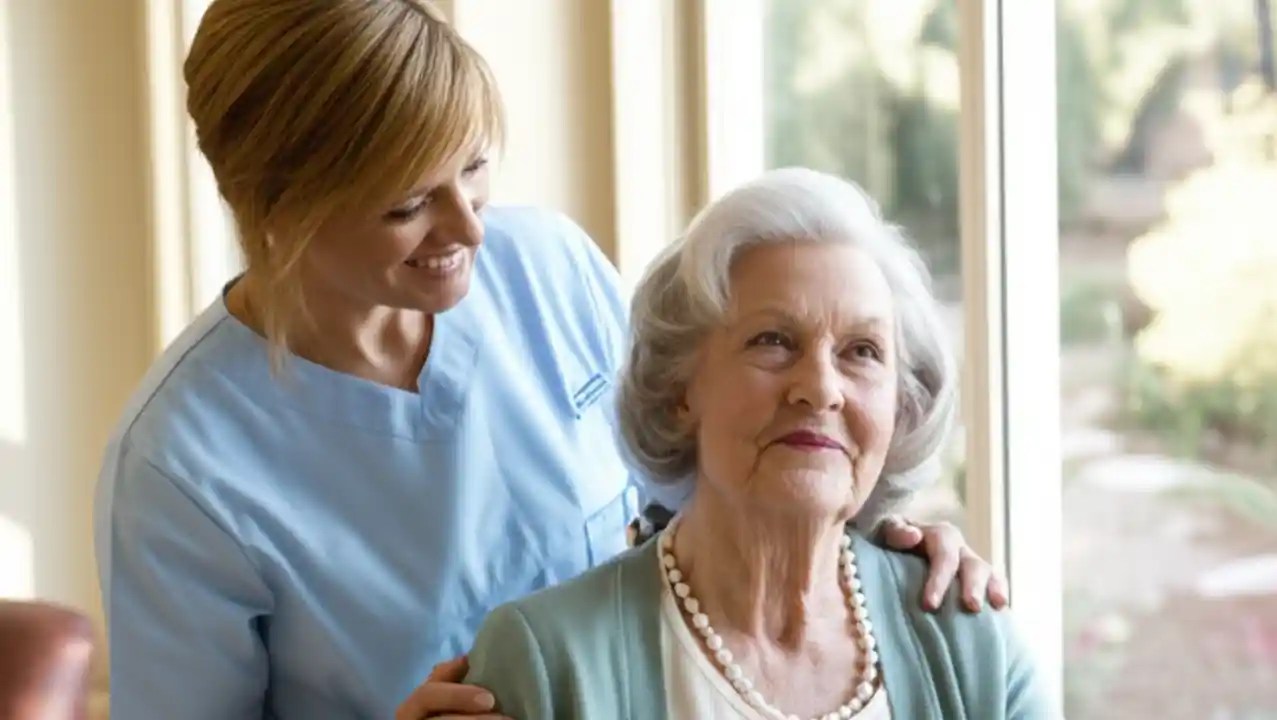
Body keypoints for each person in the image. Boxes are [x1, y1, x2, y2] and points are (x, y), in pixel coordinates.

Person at [92, 2, 1006, 718]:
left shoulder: (549, 269)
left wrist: (878, 550)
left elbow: (721, 493)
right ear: (278, 208)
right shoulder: (180, 468)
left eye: (475, 168)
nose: (468, 228)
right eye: (408, 204)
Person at [463, 168, 1054, 720]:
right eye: (773, 341)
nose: (820, 389)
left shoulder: (970, 639)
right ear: (678, 389)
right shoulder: (544, 660)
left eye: (862, 352)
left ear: (900, 406)